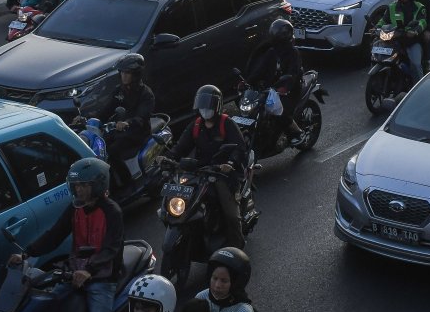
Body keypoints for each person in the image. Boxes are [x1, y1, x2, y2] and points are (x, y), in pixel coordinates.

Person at [10, 158, 124, 312]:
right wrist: (26, 253)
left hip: (102, 278)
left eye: (83, 185)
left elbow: (111, 249)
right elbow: (55, 235)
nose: (78, 189)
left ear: (98, 185)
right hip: (73, 273)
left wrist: (89, 270)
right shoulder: (74, 208)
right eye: (75, 184)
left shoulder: (112, 212)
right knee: (45, 308)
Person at [167, 86, 248, 249]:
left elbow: (240, 149)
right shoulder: (196, 125)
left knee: (231, 215)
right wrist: (167, 158)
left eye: (208, 105)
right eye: (202, 105)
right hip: (199, 171)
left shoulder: (227, 123)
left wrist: (230, 164)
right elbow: (180, 147)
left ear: (217, 106)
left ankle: (237, 248)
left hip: (223, 174)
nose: (205, 109)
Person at [244, 19, 306, 145]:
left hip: (289, 91)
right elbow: (259, 70)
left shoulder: (293, 53)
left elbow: (293, 74)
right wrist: (247, 82)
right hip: (271, 89)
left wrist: (285, 87)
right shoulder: (271, 52)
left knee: (280, 112)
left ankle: (297, 132)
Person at [107, 54, 155, 190]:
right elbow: (106, 110)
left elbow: (141, 118)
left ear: (136, 74)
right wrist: (88, 118)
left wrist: (127, 123)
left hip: (137, 133)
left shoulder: (146, 94)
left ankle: (128, 184)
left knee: (112, 152)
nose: (124, 76)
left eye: (127, 73)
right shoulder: (119, 91)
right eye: (122, 72)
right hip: (119, 131)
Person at [194, 247, 256, 312]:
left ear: (236, 283)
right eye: (215, 278)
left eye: (224, 281)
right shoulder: (201, 297)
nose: (217, 285)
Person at [377, 0, 426, 81]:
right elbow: (384, 20)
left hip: (411, 41)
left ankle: (418, 86)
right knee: (378, 56)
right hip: (394, 39)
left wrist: (415, 31)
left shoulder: (419, 7)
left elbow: (422, 22)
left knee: (416, 64)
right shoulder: (392, 7)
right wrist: (376, 28)